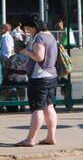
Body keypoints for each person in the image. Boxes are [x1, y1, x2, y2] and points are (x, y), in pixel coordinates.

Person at [14, 17, 59, 147]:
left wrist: (24, 51)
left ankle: (30, 139)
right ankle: (51, 137)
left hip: (39, 77)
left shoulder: (39, 37)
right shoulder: (50, 36)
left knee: (37, 109)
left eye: (28, 28)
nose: (28, 31)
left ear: (34, 26)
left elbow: (39, 57)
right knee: (50, 107)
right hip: (51, 76)